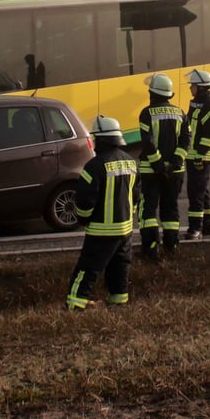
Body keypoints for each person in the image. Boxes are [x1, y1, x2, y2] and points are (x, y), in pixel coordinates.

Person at [66, 116, 139, 311]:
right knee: (120, 267)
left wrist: (84, 219)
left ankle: (74, 304)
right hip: (125, 229)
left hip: (101, 231)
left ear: (103, 140)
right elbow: (136, 195)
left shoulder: (94, 166)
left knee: (88, 268)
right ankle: (118, 302)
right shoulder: (131, 162)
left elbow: (84, 202)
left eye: (97, 138)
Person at [136, 73, 188, 261]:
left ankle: (151, 249)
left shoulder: (146, 113)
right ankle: (171, 245)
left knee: (148, 211)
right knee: (170, 208)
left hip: (152, 172)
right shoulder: (181, 113)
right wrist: (174, 164)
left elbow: (147, 143)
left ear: (153, 94)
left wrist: (159, 167)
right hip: (176, 173)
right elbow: (185, 141)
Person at [183, 69, 210, 240]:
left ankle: (195, 229)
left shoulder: (209, 105)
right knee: (202, 191)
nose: (191, 88)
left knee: (195, 192)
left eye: (193, 85)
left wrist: (200, 155)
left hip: (202, 157)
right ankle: (208, 226)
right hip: (194, 155)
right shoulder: (198, 103)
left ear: (201, 87)